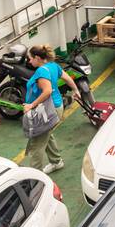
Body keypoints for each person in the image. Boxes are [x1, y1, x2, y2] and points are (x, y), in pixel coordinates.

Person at [22, 45, 79, 173]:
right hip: (56, 107)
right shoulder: (53, 66)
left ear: (37, 58)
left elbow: (47, 91)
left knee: (37, 144)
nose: (29, 62)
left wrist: (31, 105)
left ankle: (34, 177)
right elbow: (67, 78)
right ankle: (56, 161)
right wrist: (75, 90)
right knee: (46, 135)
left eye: (30, 59)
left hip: (47, 110)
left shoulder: (41, 71)